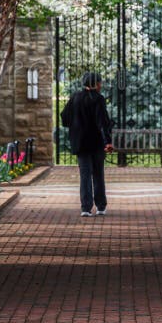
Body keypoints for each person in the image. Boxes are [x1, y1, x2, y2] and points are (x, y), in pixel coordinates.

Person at [61, 72, 114, 216]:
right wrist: (108, 141)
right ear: (95, 84)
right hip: (96, 143)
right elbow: (103, 122)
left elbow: (64, 118)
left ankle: (85, 208)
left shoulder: (75, 98)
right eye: (100, 83)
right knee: (98, 174)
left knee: (85, 175)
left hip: (81, 143)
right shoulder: (99, 99)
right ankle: (101, 206)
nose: (101, 85)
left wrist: (76, 125)